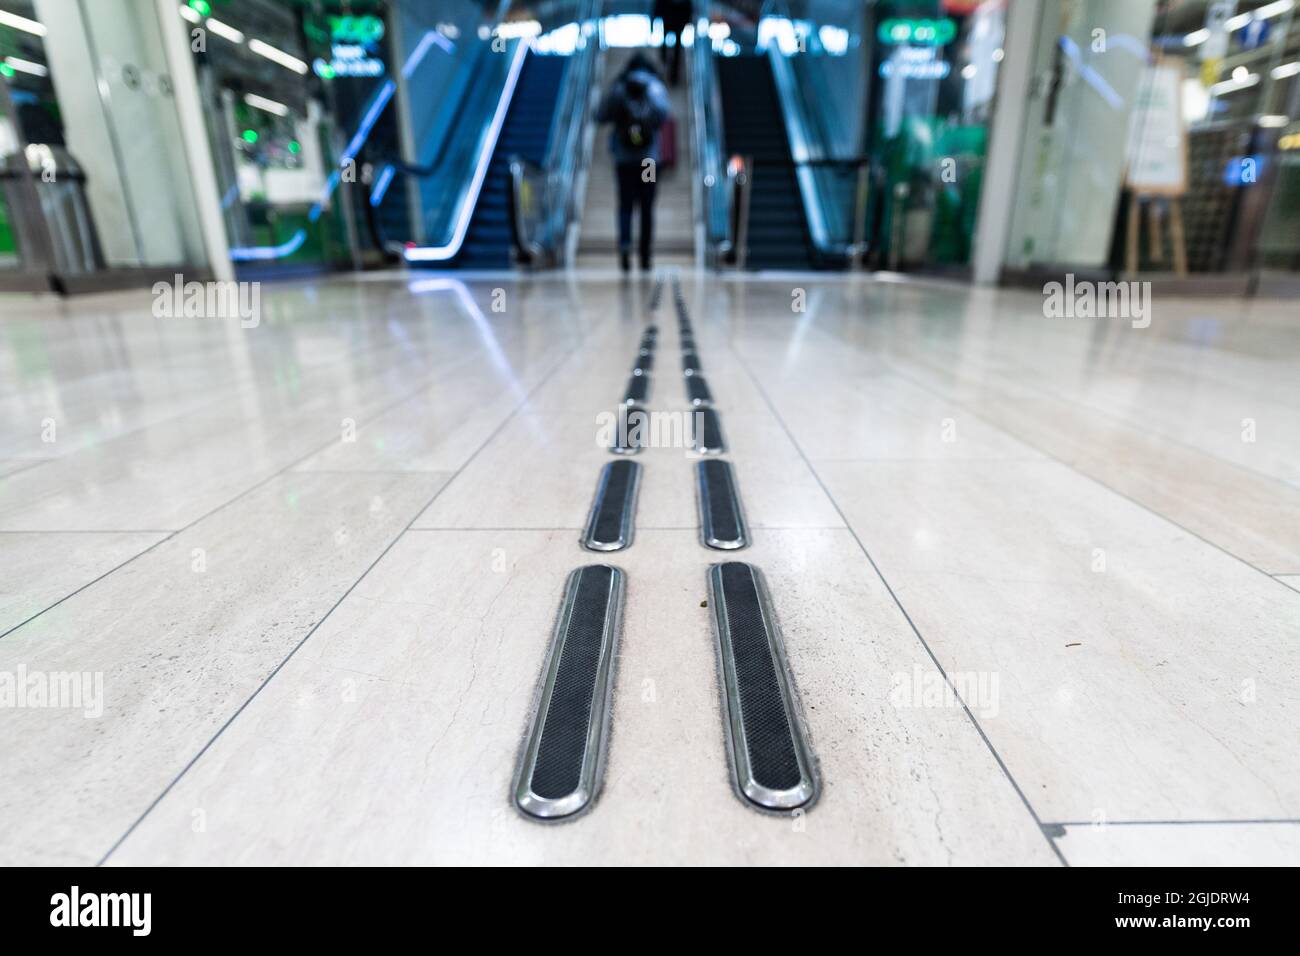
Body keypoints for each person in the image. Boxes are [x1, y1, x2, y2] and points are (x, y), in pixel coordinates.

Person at [596, 53, 671, 273]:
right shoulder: (655, 86)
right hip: (648, 160)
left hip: (624, 159)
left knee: (625, 205)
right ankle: (646, 255)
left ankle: (626, 245)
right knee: (647, 206)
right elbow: (664, 115)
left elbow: (601, 115)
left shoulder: (619, 87)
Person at [654, 0, 692, 86]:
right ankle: (665, 65)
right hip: (668, 18)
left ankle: (673, 75)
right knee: (667, 47)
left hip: (676, 20)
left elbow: (687, 6)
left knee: (676, 50)